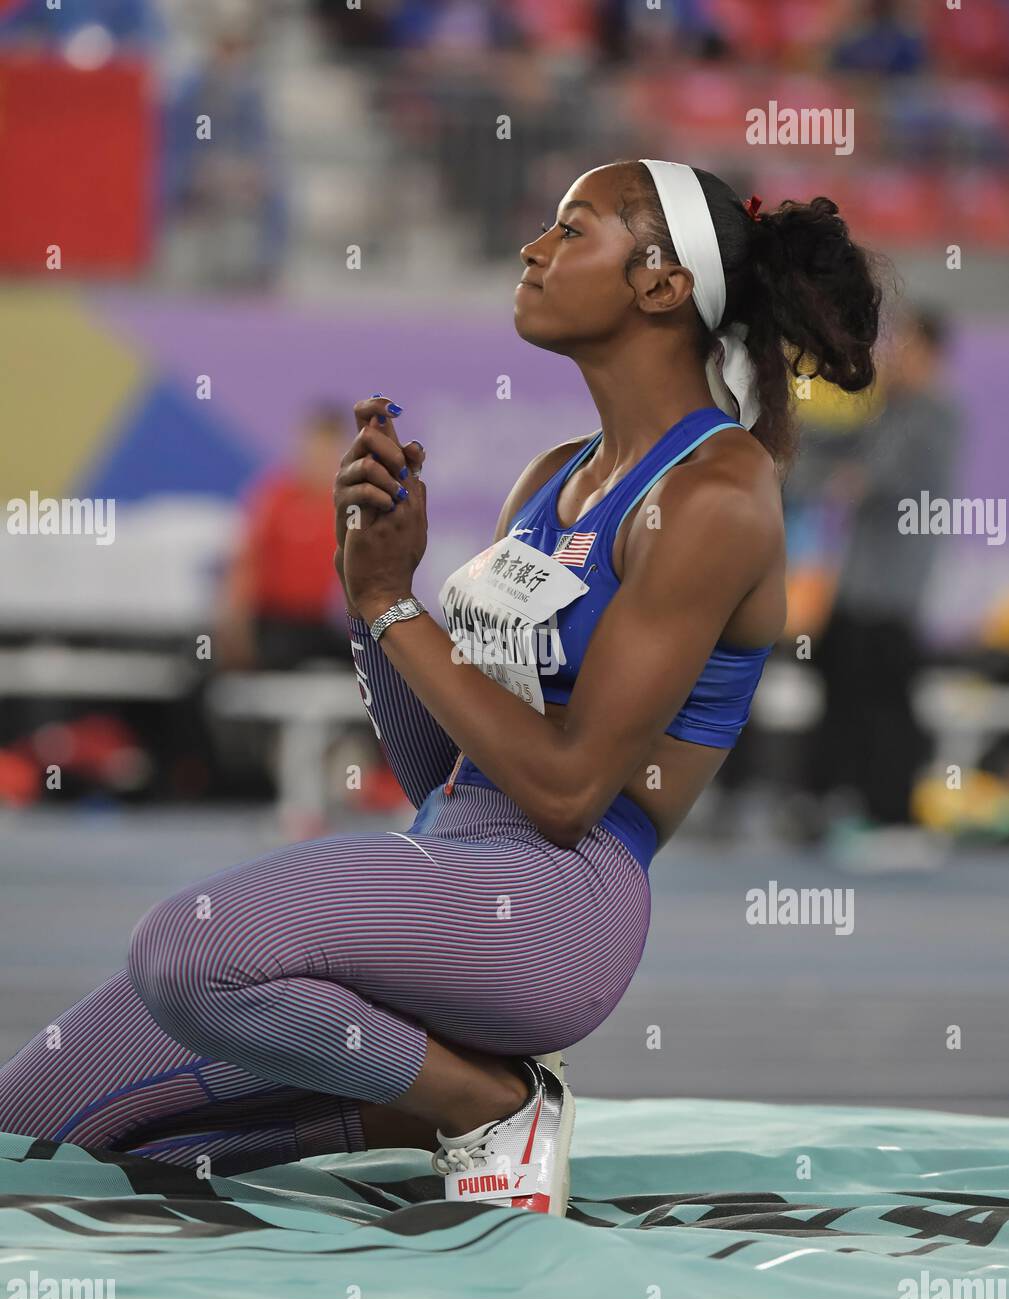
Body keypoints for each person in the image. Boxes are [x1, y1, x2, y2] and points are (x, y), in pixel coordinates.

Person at [0, 161, 881, 1216]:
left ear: (659, 284)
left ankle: (483, 1105)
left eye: (574, 228)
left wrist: (392, 611)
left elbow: (561, 794)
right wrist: (375, 588)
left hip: (556, 903)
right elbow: (441, 770)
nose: (533, 249)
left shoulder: (717, 495)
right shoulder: (553, 476)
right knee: (23, 1136)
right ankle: (404, 1112)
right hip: (445, 863)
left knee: (187, 952)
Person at [804, 305, 960, 835]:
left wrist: (832, 479)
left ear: (933, 355)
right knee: (840, 690)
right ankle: (836, 804)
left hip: (893, 592)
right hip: (856, 589)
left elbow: (872, 475)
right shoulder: (890, 412)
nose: (896, 358)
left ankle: (893, 814)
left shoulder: (937, 416)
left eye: (909, 348)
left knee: (888, 704)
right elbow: (834, 445)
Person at [216, 403, 357, 673]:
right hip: (272, 622)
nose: (320, 458)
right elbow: (246, 564)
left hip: (316, 624)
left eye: (329, 450)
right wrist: (235, 625)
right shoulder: (276, 497)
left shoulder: (344, 505)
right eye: (315, 448)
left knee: (372, 663)